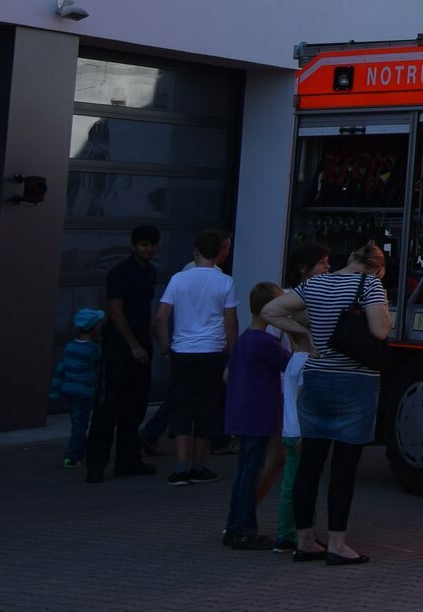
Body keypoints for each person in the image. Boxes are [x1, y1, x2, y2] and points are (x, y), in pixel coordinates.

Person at [263, 238, 390, 565]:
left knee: (310, 464)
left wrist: (303, 335)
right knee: (344, 468)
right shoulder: (371, 285)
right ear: (377, 268)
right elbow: (380, 331)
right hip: (355, 384)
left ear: (350, 258)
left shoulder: (316, 283)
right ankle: (337, 544)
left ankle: (304, 541)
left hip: (317, 380)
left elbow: (270, 310)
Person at [154, 228, 240, 486]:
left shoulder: (179, 279)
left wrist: (166, 348)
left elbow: (161, 317)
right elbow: (231, 322)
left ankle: (180, 468)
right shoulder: (225, 281)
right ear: (219, 252)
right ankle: (199, 466)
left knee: (181, 407)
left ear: (196, 250)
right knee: (206, 409)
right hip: (212, 351)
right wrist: (232, 352)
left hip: (182, 350)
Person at [85, 225, 160, 482]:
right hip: (120, 347)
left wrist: (148, 340)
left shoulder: (149, 272)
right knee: (108, 407)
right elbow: (116, 312)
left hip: (141, 343)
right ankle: (96, 465)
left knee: (135, 406)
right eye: (144, 245)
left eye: (152, 245)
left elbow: (145, 310)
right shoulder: (120, 273)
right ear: (133, 246)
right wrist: (133, 345)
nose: (148, 249)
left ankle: (128, 461)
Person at [223, 283, 291, 550]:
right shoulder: (266, 342)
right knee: (251, 473)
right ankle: (244, 530)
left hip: (243, 413)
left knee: (245, 472)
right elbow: (291, 364)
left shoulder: (245, 339)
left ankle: (235, 526)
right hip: (259, 414)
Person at [273, 242, 329, 553]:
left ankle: (293, 531)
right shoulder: (303, 362)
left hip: (293, 423)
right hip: (299, 426)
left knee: (293, 479)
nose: (327, 268)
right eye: (322, 263)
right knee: (295, 481)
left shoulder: (295, 361)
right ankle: (288, 534)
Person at [52, 308, 105, 468]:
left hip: (68, 390)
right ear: (94, 328)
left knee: (77, 422)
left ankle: (80, 454)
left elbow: (60, 368)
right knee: (80, 425)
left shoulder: (69, 347)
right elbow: (101, 368)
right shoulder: (93, 350)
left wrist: (55, 391)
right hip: (83, 392)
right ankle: (72, 457)